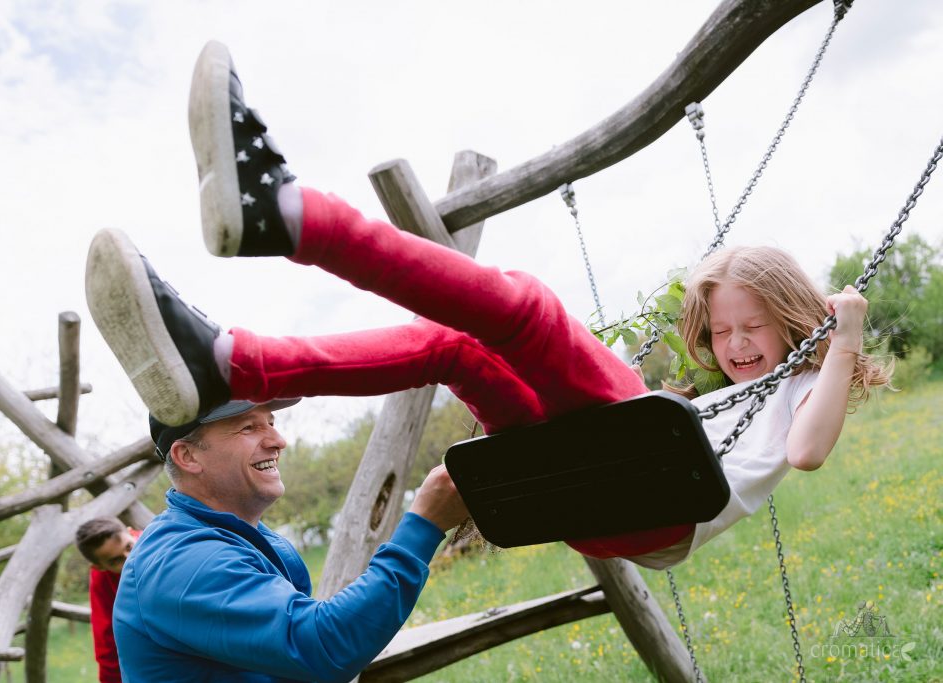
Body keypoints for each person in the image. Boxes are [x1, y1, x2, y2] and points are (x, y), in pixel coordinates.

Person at [86, 40, 890, 574]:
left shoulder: (796, 389)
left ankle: (287, 214)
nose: (739, 344)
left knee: (529, 311)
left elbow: (811, 449)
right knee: (455, 349)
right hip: (606, 495)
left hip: (654, 504)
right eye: (723, 330)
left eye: (754, 328)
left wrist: (843, 334)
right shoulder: (740, 394)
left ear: (795, 319)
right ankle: (232, 365)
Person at [109, 398, 468, 682]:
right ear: (187, 456)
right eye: (248, 427)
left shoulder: (244, 536)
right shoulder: (184, 560)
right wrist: (424, 525)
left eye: (271, 423)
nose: (278, 441)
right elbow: (324, 647)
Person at [74, 517, 141, 683]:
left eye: (129, 547)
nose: (129, 559)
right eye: (116, 560)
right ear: (100, 567)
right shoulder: (102, 581)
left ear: (131, 532)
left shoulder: (158, 542)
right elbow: (106, 638)